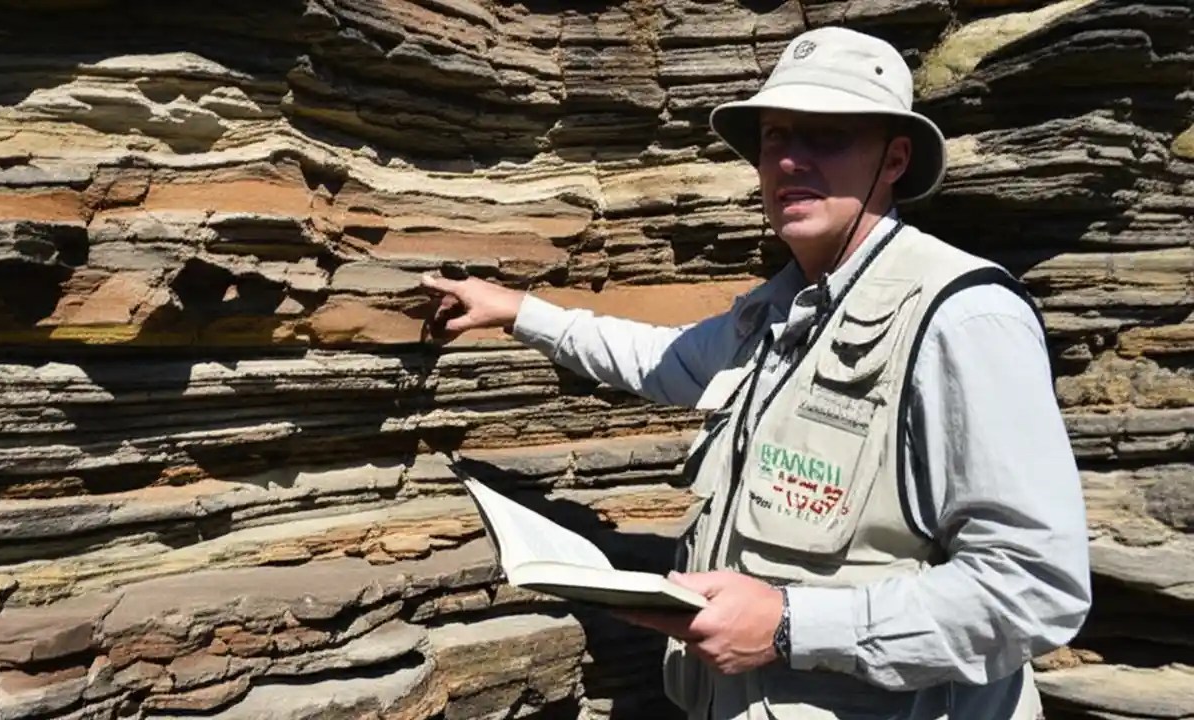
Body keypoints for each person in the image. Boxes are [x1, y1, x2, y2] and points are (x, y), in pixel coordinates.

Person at [420, 26, 1091, 720]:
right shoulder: (777, 310)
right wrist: (516, 310)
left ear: (894, 159)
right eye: (775, 137)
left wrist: (790, 624)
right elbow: (658, 361)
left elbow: (1034, 588)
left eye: (826, 136)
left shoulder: (964, 317)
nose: (791, 161)